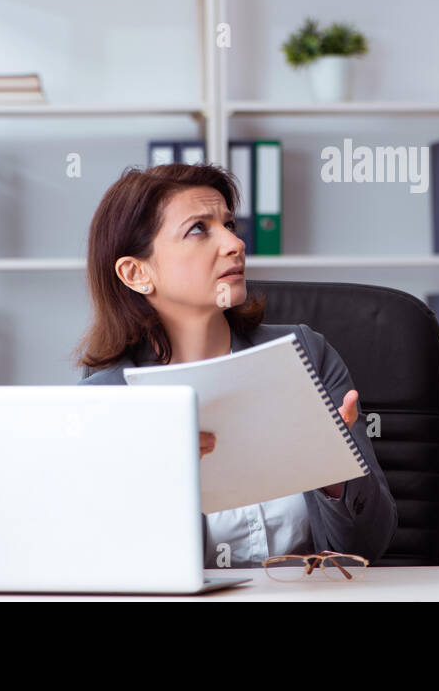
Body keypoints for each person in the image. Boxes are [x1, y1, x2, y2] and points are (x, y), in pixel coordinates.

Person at [74, 162, 397, 568]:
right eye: (198, 229)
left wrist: (332, 471)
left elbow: (370, 547)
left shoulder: (306, 354)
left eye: (230, 225)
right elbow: (104, 565)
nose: (234, 243)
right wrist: (164, 478)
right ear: (137, 273)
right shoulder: (104, 406)